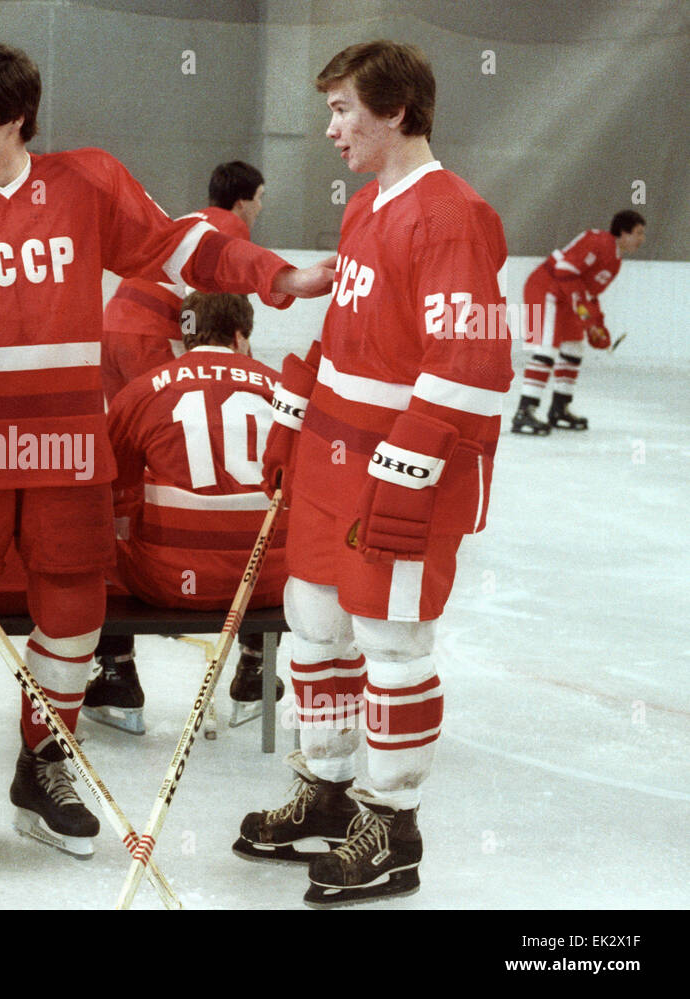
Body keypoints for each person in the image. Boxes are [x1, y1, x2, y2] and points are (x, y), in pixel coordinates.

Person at [0, 42, 333, 864]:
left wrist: (275, 277)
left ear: (16, 118)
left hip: (68, 448)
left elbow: (184, 247)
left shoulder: (85, 183)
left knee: (75, 609)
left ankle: (45, 762)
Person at [231, 40, 512, 908]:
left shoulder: (452, 214)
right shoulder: (365, 208)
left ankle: (392, 824)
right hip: (332, 463)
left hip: (400, 474)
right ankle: (325, 788)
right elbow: (351, 338)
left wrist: (411, 464)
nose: (330, 128)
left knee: (391, 643)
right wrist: (295, 415)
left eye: (344, 109)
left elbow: (469, 360)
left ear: (396, 111)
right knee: (315, 624)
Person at [87, 292, 289, 735]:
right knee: (279, 514)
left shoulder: (143, 390)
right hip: (269, 584)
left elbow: (109, 491)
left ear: (185, 335)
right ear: (240, 336)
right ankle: (255, 667)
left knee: (95, 526)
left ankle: (117, 675)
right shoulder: (282, 389)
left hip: (166, 582)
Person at [100, 161, 266, 404]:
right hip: (150, 337)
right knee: (174, 424)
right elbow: (218, 307)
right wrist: (245, 363)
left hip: (112, 329)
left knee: (124, 430)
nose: (260, 207)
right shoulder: (229, 226)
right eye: (259, 198)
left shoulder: (187, 220)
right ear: (242, 202)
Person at [511, 210, 646, 434]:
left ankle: (559, 409)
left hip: (566, 296)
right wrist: (587, 319)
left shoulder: (615, 260)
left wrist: (597, 325)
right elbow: (564, 272)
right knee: (546, 349)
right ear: (623, 232)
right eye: (639, 233)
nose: (642, 239)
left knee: (574, 348)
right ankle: (524, 412)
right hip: (547, 289)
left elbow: (590, 295)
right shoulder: (598, 241)